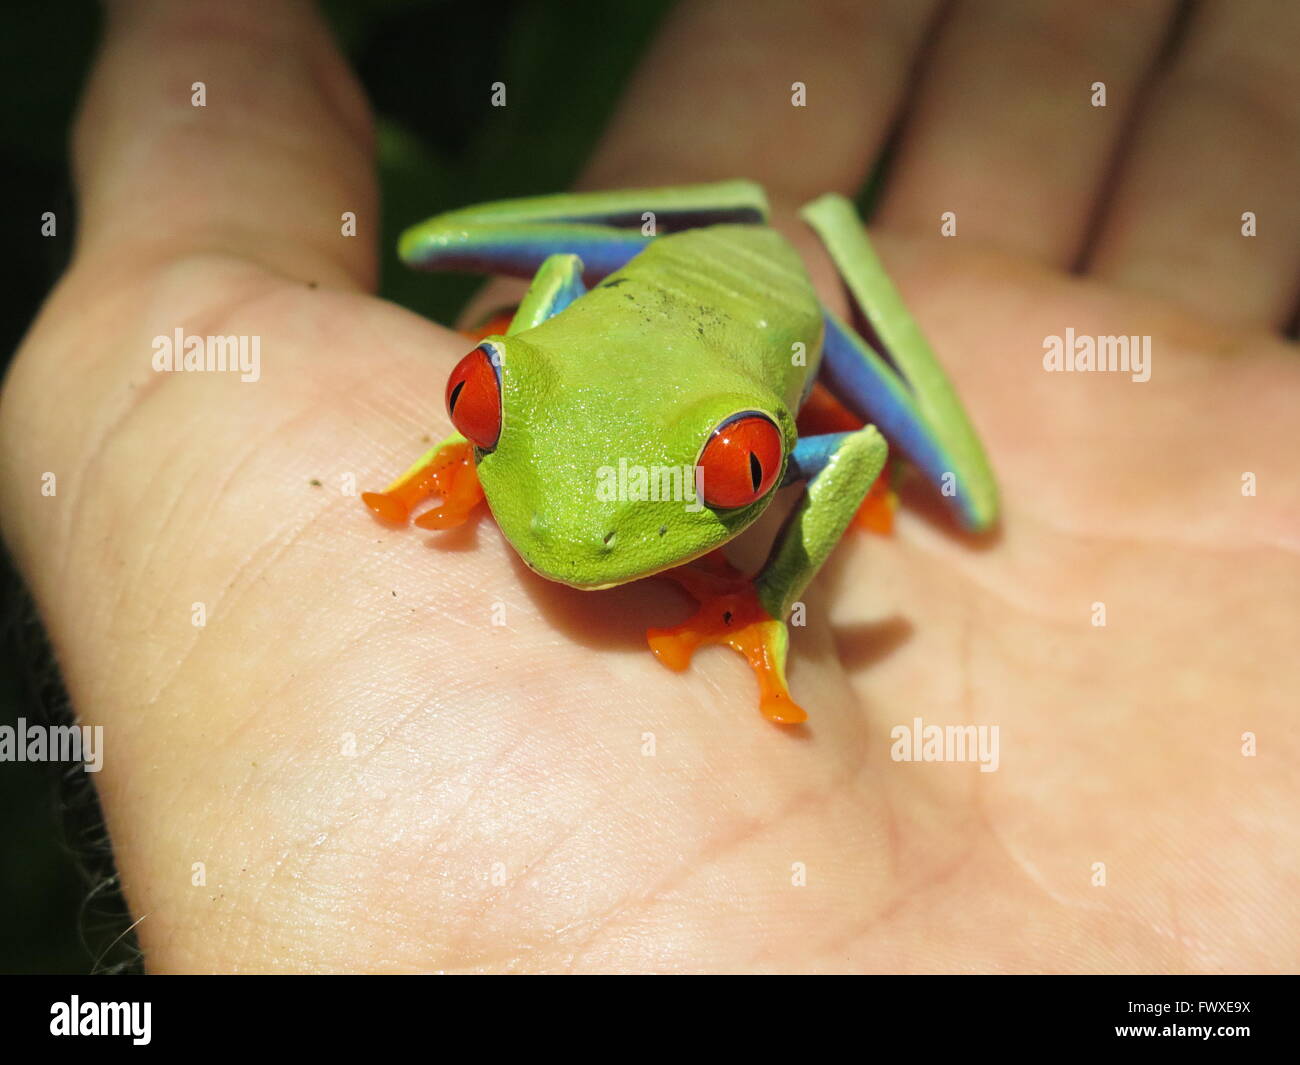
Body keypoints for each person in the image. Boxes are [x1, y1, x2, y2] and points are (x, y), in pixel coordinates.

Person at [1, 0, 1295, 973]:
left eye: (733, 472)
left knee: (961, 484)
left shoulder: (787, 438)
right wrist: (495, 416)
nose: (569, 536)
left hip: (795, 310)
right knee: (460, 269)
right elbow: (548, 309)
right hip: (671, 267)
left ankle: (758, 344)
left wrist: (770, 586)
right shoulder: (549, 360)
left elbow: (836, 453)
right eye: (476, 394)